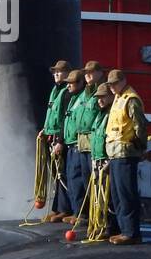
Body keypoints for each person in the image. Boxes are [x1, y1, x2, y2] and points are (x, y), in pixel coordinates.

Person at [105, 68, 149, 244]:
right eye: (110, 85)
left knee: (126, 194)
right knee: (116, 194)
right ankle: (123, 229)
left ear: (123, 81)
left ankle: (131, 233)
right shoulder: (118, 98)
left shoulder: (131, 99)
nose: (112, 88)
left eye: (114, 84)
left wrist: (140, 147)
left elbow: (140, 125)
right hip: (115, 152)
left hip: (125, 152)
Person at [63, 60, 105, 226]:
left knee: (93, 182)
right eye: (86, 73)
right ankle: (82, 212)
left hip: (92, 143)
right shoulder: (85, 93)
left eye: (91, 72)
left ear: (100, 73)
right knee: (80, 180)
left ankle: (96, 216)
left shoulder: (102, 91)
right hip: (81, 142)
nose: (88, 75)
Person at [84, 82, 118, 243]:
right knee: (99, 197)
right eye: (98, 98)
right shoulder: (100, 114)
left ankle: (111, 227)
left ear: (111, 96)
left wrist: (109, 160)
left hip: (106, 160)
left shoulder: (113, 114)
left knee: (109, 197)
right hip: (97, 159)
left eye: (103, 97)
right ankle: (101, 225)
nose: (99, 100)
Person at [40, 59, 73, 222]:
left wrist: (60, 141)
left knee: (63, 174)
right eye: (54, 72)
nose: (56, 74)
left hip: (61, 139)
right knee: (56, 175)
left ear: (67, 73)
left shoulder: (66, 92)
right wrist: (45, 131)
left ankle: (65, 209)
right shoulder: (56, 90)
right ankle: (58, 208)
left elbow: (64, 119)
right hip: (51, 136)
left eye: (59, 71)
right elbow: (52, 114)